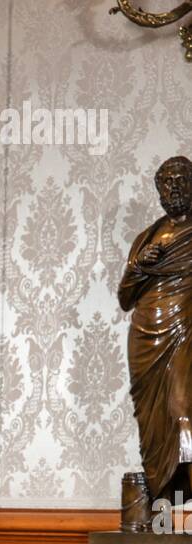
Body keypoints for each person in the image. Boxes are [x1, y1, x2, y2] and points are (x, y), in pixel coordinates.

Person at [119, 155, 192, 502]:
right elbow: (124, 297)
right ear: (158, 190)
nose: (173, 187)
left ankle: (184, 488)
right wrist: (139, 267)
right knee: (151, 420)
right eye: (166, 181)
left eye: (180, 179)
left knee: (182, 408)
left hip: (184, 330)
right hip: (145, 334)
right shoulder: (146, 237)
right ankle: (161, 501)